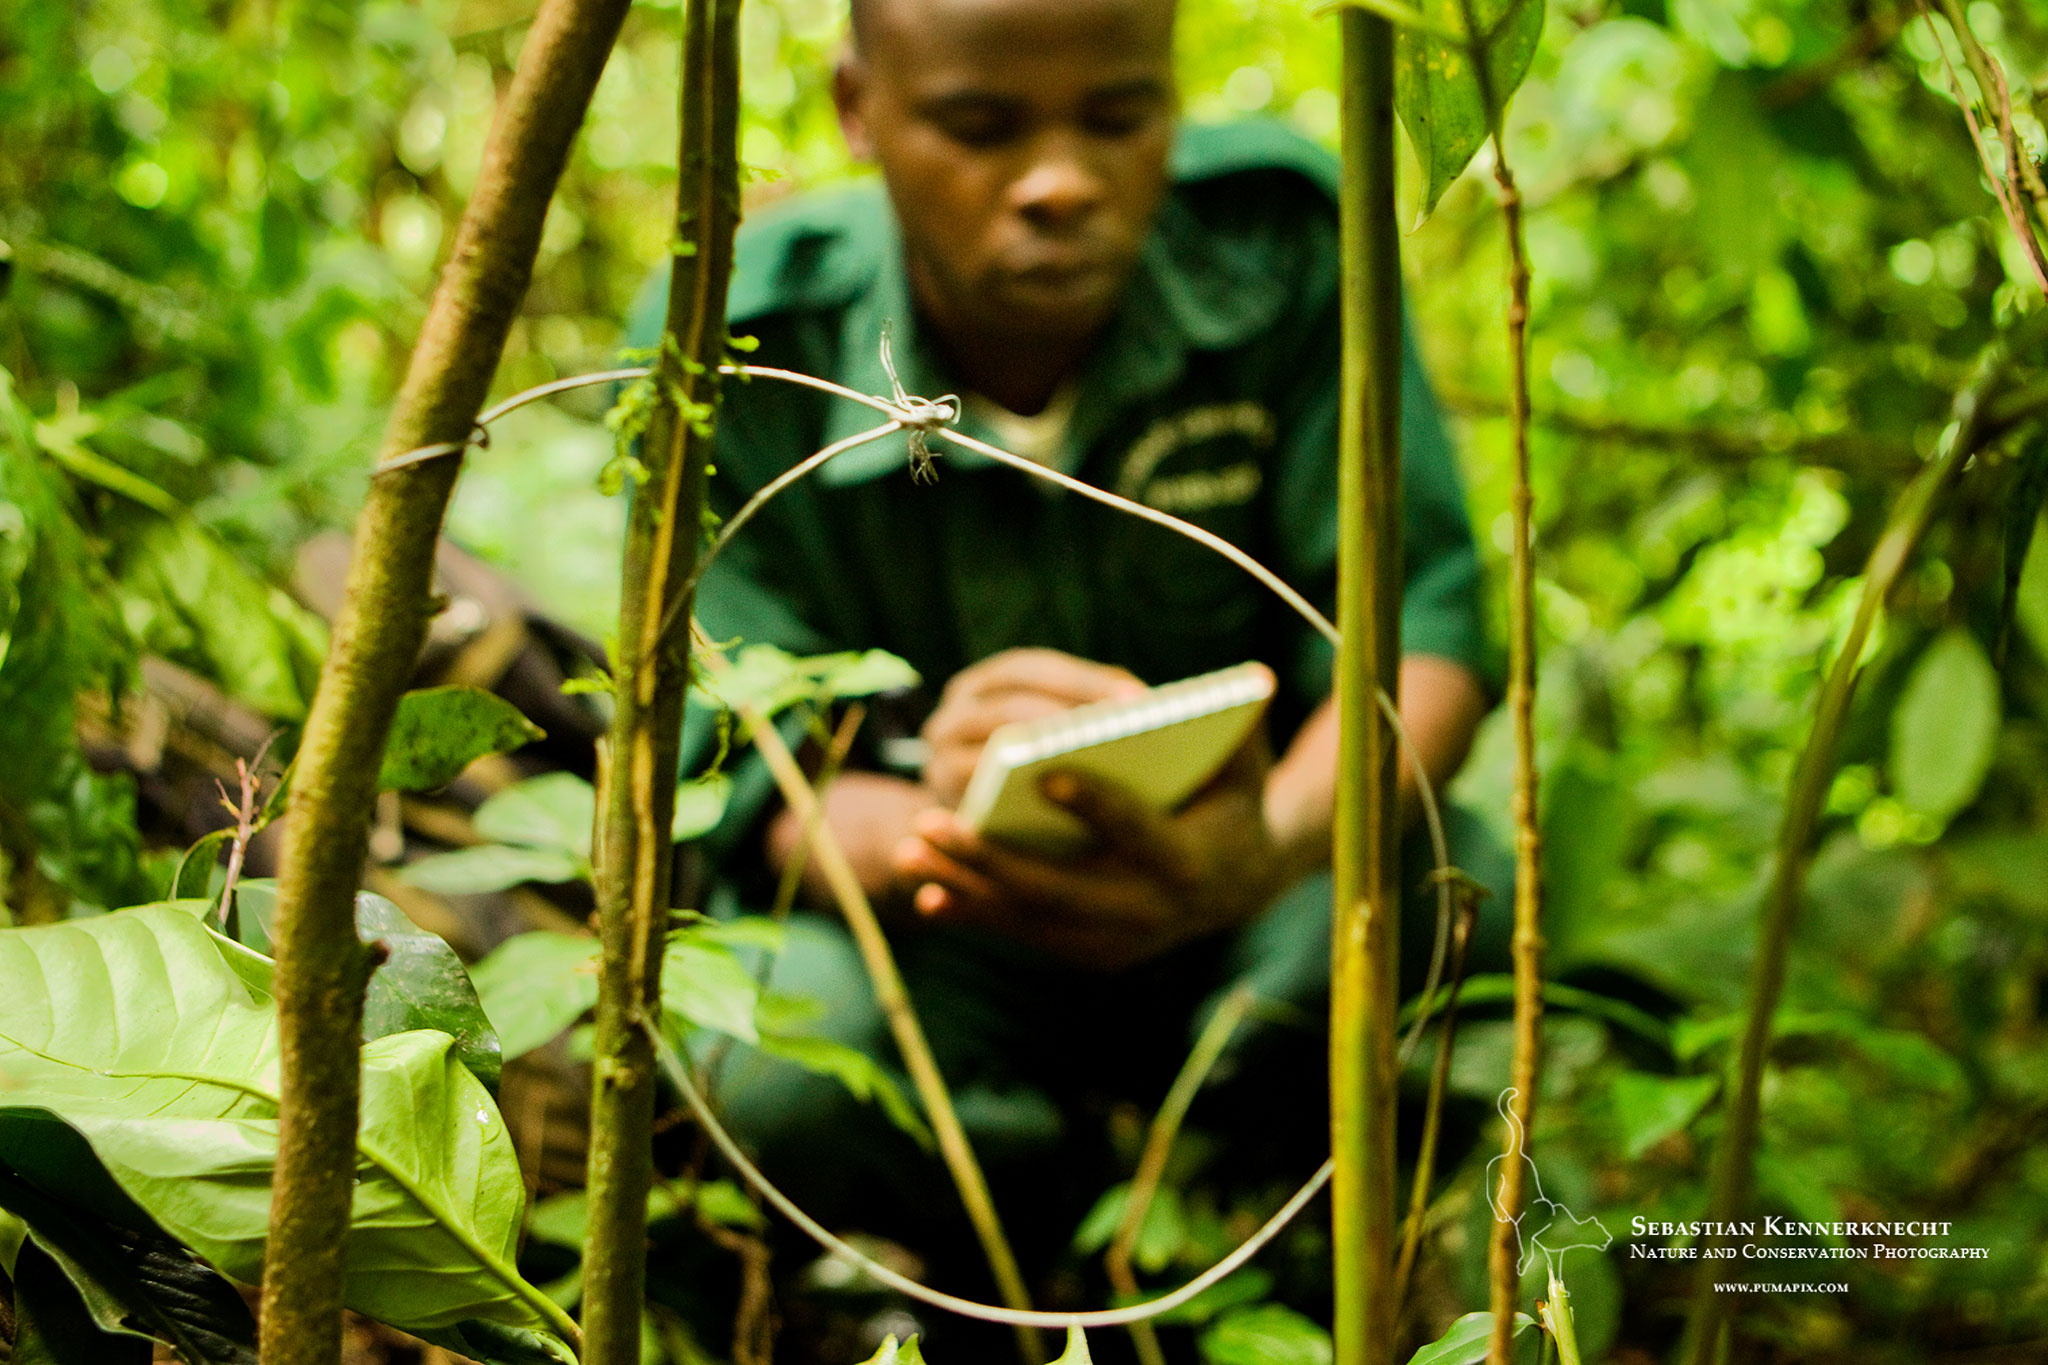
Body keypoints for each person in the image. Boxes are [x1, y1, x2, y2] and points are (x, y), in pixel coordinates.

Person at [628, 0, 1509, 1310]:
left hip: (1254, 902)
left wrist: (1259, 844)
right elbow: (744, 772)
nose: (1058, 182)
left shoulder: (1283, 239)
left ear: (1173, 92)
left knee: (1446, 890)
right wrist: (950, 837)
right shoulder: (745, 337)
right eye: (979, 128)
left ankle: (1212, 1195)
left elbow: (1424, 637)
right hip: (930, 948)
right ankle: (1055, 1234)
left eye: (1118, 117)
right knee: (759, 1055)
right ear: (860, 110)